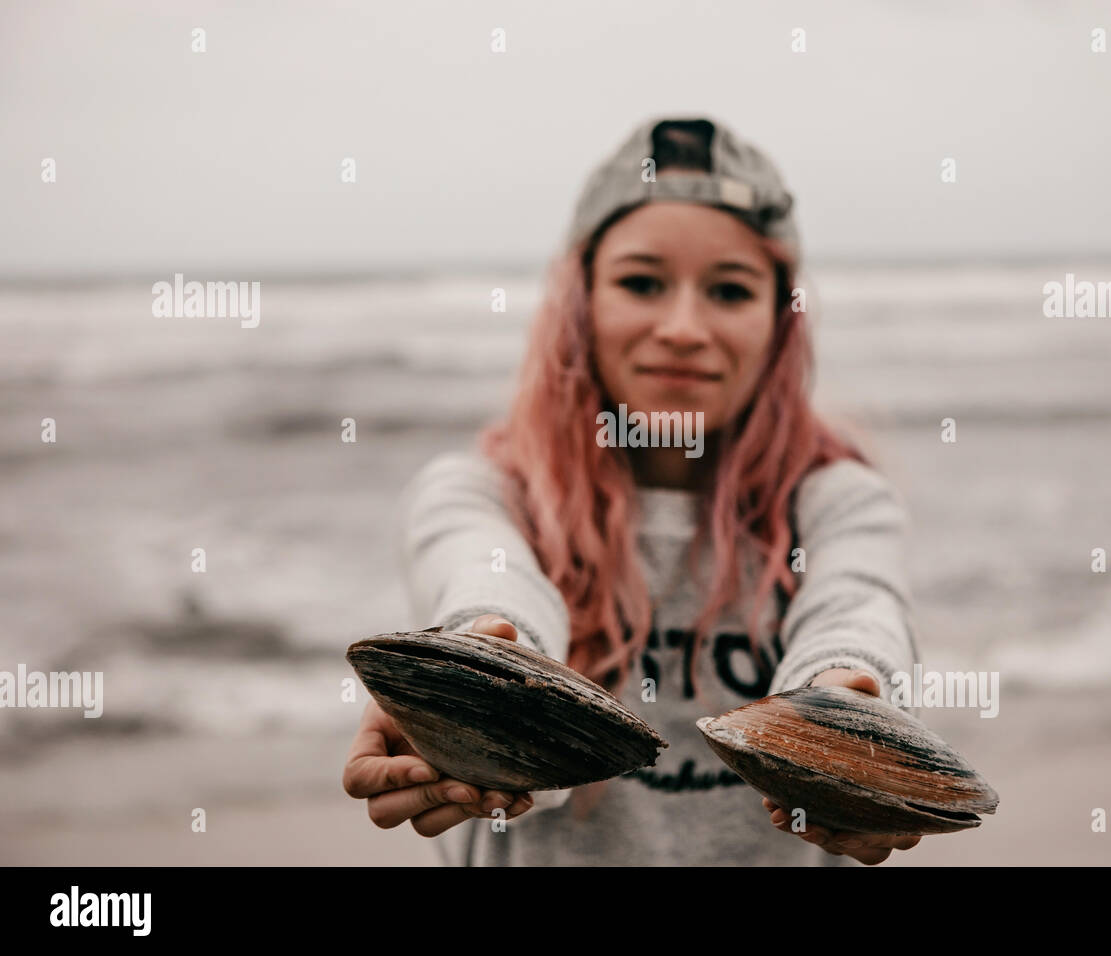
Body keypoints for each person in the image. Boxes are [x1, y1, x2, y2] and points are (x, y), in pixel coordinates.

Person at [343, 115, 926, 865]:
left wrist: (845, 703)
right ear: (581, 304)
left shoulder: (841, 502)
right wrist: (485, 663)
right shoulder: (480, 494)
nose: (683, 327)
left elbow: (859, 607)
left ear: (781, 321)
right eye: (641, 282)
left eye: (730, 289)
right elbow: (487, 579)